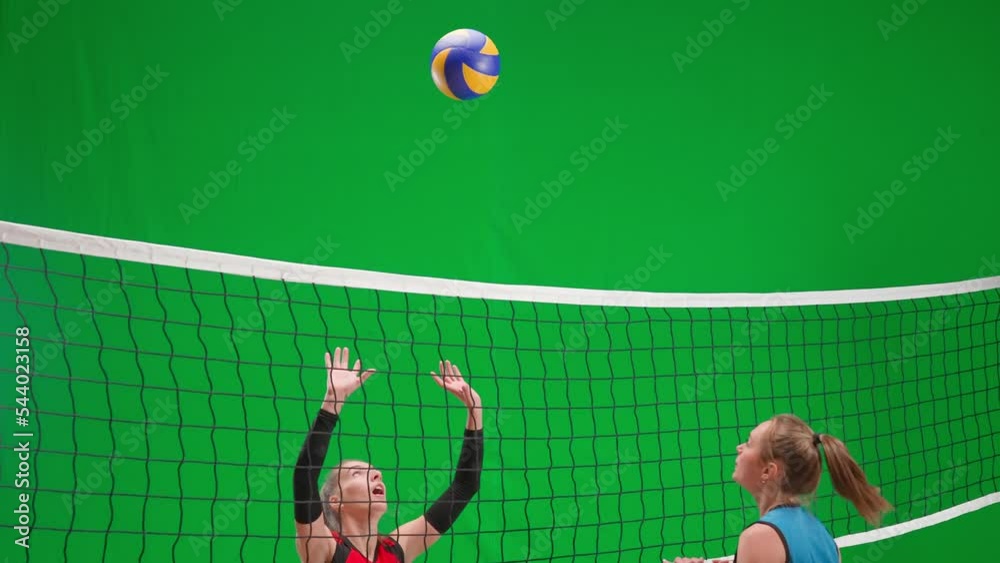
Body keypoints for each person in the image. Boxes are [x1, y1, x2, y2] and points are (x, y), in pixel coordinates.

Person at [293, 347, 484, 563]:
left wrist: (475, 410)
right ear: (336, 501)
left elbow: (465, 487)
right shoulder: (323, 548)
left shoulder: (395, 549)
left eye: (374, 472)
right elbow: (304, 478)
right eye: (357, 473)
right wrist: (332, 401)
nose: (377, 475)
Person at [664, 414, 892, 563]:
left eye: (750, 443)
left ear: (768, 471)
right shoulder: (825, 538)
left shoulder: (760, 537)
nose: (739, 447)